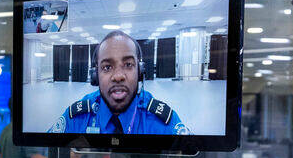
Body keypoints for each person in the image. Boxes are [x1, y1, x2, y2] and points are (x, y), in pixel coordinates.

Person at [48, 30, 190, 136]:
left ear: (140, 71)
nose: (118, 76)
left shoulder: (161, 121)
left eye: (128, 65)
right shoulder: (78, 116)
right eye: (107, 67)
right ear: (95, 75)